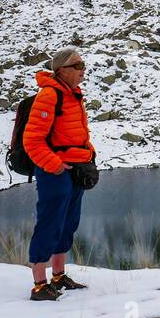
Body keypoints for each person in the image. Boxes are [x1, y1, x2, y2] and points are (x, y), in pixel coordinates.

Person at [23, 47, 95, 300]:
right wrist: (53, 164)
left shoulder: (73, 95)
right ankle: (40, 285)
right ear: (62, 70)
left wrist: (89, 155)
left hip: (75, 169)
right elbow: (32, 140)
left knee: (67, 223)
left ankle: (58, 276)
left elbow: (77, 135)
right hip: (54, 170)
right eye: (77, 65)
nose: (82, 70)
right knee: (50, 223)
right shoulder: (49, 96)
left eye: (83, 65)